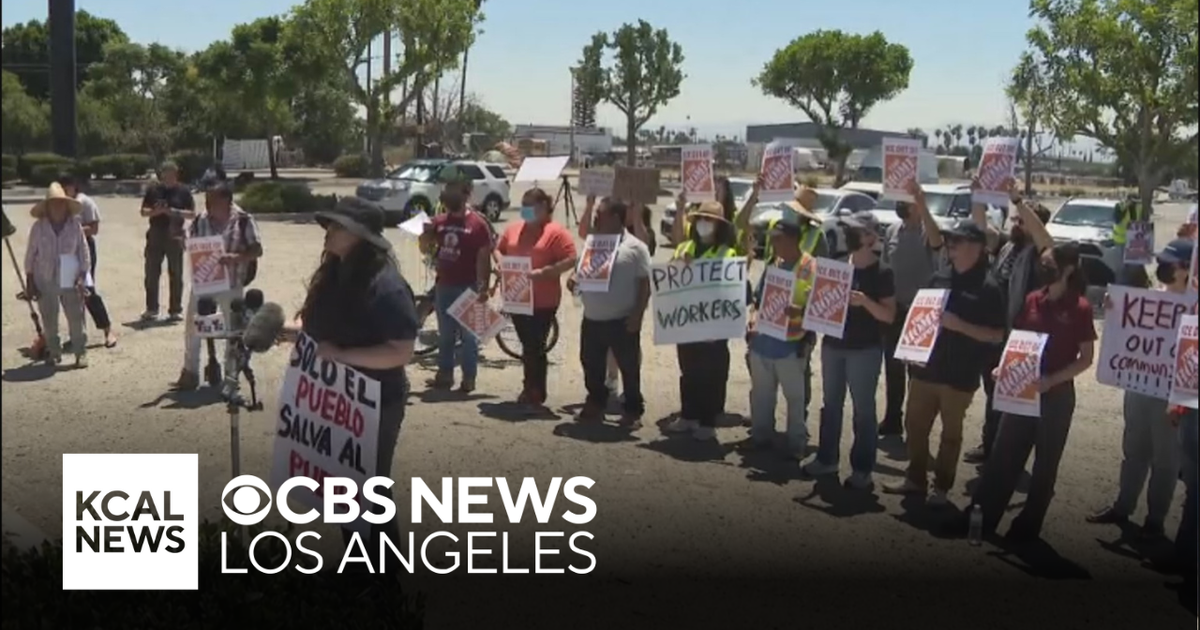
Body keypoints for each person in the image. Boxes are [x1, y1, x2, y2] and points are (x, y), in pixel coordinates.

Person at [284, 196, 419, 556]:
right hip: (337, 401)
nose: (328, 232)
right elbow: (317, 328)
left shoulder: (386, 285)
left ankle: (384, 580)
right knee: (344, 487)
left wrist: (345, 356)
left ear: (360, 236)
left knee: (371, 490)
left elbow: (401, 350)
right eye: (329, 224)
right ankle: (358, 568)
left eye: (338, 226)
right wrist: (286, 331)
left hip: (376, 402)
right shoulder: (333, 273)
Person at [964, 243, 1096, 541]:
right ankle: (982, 518)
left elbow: (1086, 359)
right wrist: (1004, 367)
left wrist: (1052, 380)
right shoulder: (1033, 299)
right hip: (1022, 390)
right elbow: (1019, 340)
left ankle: (1027, 529)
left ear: (1069, 268)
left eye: (1049, 264)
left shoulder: (1080, 308)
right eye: (1042, 262)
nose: (1042, 268)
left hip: (1057, 397)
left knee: (1045, 465)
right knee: (1003, 456)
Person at [882, 222, 1005, 505]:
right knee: (914, 426)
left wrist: (960, 326)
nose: (951, 245)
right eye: (950, 241)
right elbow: (920, 320)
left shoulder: (989, 287)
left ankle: (941, 488)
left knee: (951, 436)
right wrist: (911, 346)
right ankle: (915, 479)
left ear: (976, 247)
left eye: (958, 242)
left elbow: (997, 335)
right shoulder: (938, 279)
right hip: (925, 370)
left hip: (959, 376)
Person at [1087, 239, 1194, 538]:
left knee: (1166, 461)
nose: (1161, 267)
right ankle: (1123, 507)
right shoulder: (1150, 299)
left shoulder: (1194, 305)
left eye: (1169, 263)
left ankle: (1155, 521)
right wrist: (1116, 307)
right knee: (1133, 451)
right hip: (1139, 388)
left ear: (1186, 269)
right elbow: (1126, 325)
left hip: (1172, 396)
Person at [964, 181, 1055, 464]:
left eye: (1021, 220)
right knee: (993, 393)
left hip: (1022, 336)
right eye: (1014, 219)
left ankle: (1008, 455)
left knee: (1016, 397)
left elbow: (1044, 239)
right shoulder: (1005, 246)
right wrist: (977, 195)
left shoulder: (1042, 257)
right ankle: (990, 446)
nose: (1015, 223)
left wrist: (1017, 200)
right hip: (995, 332)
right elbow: (981, 227)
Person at [804, 211, 897, 488]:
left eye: (855, 231)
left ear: (871, 237)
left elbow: (889, 316)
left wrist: (865, 302)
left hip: (864, 350)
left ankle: (862, 470)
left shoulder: (883, 272)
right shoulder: (836, 266)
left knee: (863, 411)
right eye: (847, 230)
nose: (848, 235)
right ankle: (826, 459)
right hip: (833, 345)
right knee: (830, 406)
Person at [569, 198, 651, 428]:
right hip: (593, 319)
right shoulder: (592, 244)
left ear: (616, 218)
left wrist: (637, 316)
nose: (597, 218)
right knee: (591, 364)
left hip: (622, 321)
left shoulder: (636, 248)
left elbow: (645, 286)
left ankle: (633, 410)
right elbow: (580, 272)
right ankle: (596, 403)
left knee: (629, 368)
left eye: (601, 214)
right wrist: (574, 279)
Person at [174, 183, 263, 390]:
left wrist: (236, 258)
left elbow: (257, 249)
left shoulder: (243, 220)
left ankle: (231, 376)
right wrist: (181, 239)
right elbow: (190, 241)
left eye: (212, 199)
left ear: (226, 201)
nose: (207, 203)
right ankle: (190, 373)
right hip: (203, 282)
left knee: (233, 331)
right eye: (206, 199)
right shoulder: (201, 219)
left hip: (232, 284)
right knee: (193, 327)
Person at [666, 201, 741, 441]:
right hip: (687, 321)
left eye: (708, 220)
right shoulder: (684, 247)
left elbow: (731, 288)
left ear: (718, 226)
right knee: (688, 371)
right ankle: (688, 415)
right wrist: (677, 266)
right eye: (699, 219)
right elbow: (668, 277)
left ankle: (708, 421)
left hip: (713, 325)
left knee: (711, 373)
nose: (703, 224)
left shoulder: (726, 253)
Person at [496, 188, 578, 408]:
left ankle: (536, 392)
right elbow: (499, 249)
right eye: (523, 204)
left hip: (543, 300)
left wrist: (548, 272)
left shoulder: (555, 232)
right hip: (516, 296)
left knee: (535, 345)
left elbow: (571, 258)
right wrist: (499, 263)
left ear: (543, 207)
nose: (525, 210)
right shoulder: (513, 229)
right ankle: (529, 387)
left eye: (530, 205)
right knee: (527, 345)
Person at [744, 216, 817, 458]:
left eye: (778, 239)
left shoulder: (811, 268)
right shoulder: (773, 263)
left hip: (791, 345)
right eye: (772, 239)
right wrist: (753, 320)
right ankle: (761, 437)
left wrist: (801, 312)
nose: (773, 243)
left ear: (794, 240)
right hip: (763, 342)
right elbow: (758, 299)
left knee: (796, 399)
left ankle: (796, 445)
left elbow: (823, 310)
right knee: (761, 396)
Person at [878, 181, 946, 437]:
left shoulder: (927, 231)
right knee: (893, 369)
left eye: (906, 201)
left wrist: (922, 204)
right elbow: (885, 267)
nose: (900, 204)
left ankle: (914, 427)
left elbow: (938, 241)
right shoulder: (893, 231)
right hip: (895, 310)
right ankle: (892, 420)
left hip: (920, 314)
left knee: (916, 373)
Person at [419, 178, 492, 392]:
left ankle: (468, 379)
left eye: (452, 189)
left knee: (470, 337)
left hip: (468, 286)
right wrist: (426, 233)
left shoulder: (478, 225)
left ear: (465, 193)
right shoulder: (439, 221)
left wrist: (483, 288)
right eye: (446, 190)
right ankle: (444, 376)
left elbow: (483, 258)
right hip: (444, 285)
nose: (447, 193)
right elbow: (425, 249)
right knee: (446, 335)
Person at [24, 183, 90, 368]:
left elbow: (83, 252)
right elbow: (31, 253)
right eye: (53, 203)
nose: (57, 206)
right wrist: (30, 280)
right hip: (44, 274)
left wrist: (82, 275)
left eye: (61, 203)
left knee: (75, 316)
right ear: (47, 207)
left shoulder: (75, 225)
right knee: (49, 317)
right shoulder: (39, 227)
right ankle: (54, 352)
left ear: (66, 204)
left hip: (70, 270)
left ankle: (80, 352)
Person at [58, 176, 117, 349]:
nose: (65, 189)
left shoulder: (85, 202)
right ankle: (77, 333)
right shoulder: (59, 204)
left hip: (84, 248)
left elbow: (94, 228)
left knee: (88, 290)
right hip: (65, 250)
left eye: (67, 185)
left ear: (74, 185)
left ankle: (108, 330)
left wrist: (73, 231)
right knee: (68, 294)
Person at [140, 161, 196, 322]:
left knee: (176, 273)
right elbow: (143, 212)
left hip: (175, 234)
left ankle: (175, 309)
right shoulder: (153, 190)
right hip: (156, 233)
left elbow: (192, 214)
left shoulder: (184, 191)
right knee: (151, 272)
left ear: (176, 174)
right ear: (161, 174)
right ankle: (151, 308)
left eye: (172, 173)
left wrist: (173, 211)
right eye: (166, 173)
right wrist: (157, 211)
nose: (169, 176)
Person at [1111, 198, 1149, 285]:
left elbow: (1144, 222)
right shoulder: (1120, 207)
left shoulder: (1139, 207)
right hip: (1121, 241)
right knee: (1122, 268)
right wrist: (1125, 207)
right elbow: (1117, 219)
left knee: (1134, 267)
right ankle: (1120, 288)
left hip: (1135, 242)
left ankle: (1133, 287)